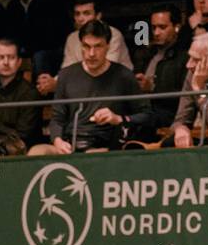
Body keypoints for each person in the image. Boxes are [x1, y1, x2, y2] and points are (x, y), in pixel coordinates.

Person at [28, 19, 139, 155]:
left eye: (98, 46)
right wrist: (58, 141)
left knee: (93, 155)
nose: (91, 53)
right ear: (80, 46)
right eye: (86, 46)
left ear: (108, 46)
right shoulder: (66, 75)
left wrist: (118, 118)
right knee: (36, 152)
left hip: (106, 147)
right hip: (69, 145)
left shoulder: (124, 76)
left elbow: (146, 116)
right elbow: (57, 118)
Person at [36, 0, 132, 97]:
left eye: (86, 13)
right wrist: (52, 83)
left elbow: (104, 72)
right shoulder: (72, 38)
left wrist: (61, 83)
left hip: (116, 89)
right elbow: (67, 69)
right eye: (77, 14)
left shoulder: (114, 35)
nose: (81, 19)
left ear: (98, 16)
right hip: (84, 90)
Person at [127, 3, 189, 141]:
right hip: (142, 109)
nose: (156, 33)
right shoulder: (146, 53)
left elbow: (183, 97)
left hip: (166, 114)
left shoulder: (185, 56)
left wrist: (152, 89)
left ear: (176, 27)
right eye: (154, 27)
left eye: (162, 27)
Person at [4, 0, 62, 76]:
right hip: (23, 51)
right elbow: (10, 36)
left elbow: (50, 39)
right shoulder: (12, 6)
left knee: (39, 56)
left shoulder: (48, 3)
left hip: (48, 52)